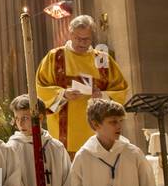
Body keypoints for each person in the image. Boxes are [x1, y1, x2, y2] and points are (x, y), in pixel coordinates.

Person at [36, 14, 129, 154]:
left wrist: (102, 95)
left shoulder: (102, 59)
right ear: (70, 34)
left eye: (86, 39)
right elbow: (41, 88)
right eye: (78, 38)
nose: (82, 43)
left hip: (99, 135)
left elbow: (121, 89)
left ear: (92, 37)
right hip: (65, 137)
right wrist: (63, 94)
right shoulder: (55, 57)